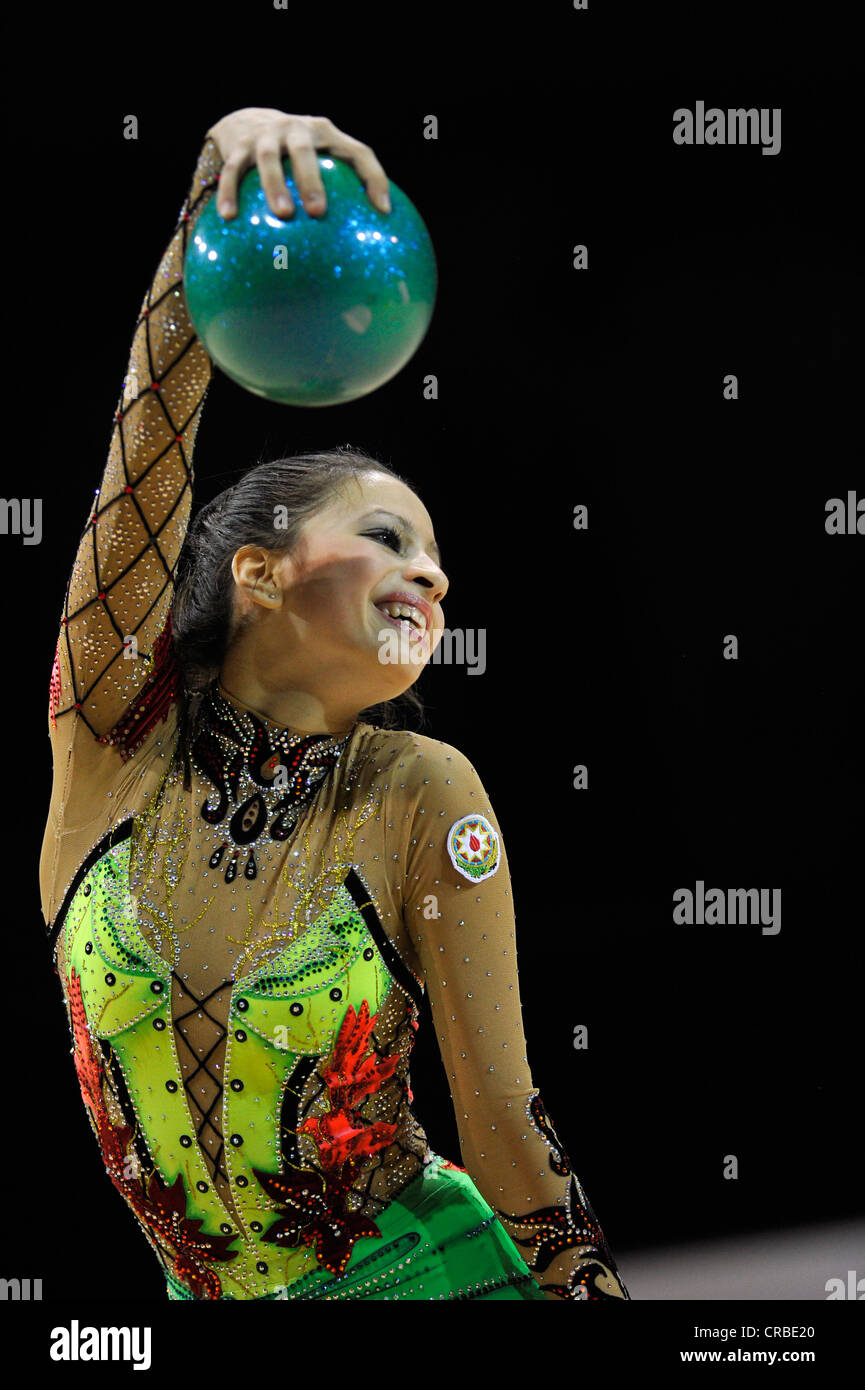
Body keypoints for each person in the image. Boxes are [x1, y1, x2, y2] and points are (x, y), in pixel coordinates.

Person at [40, 106, 630, 1302]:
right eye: (387, 536)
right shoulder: (112, 743)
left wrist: (584, 1282)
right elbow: (143, 458)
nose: (433, 573)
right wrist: (210, 203)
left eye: (436, 553)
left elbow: (503, 1113)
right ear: (256, 571)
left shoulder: (420, 790)